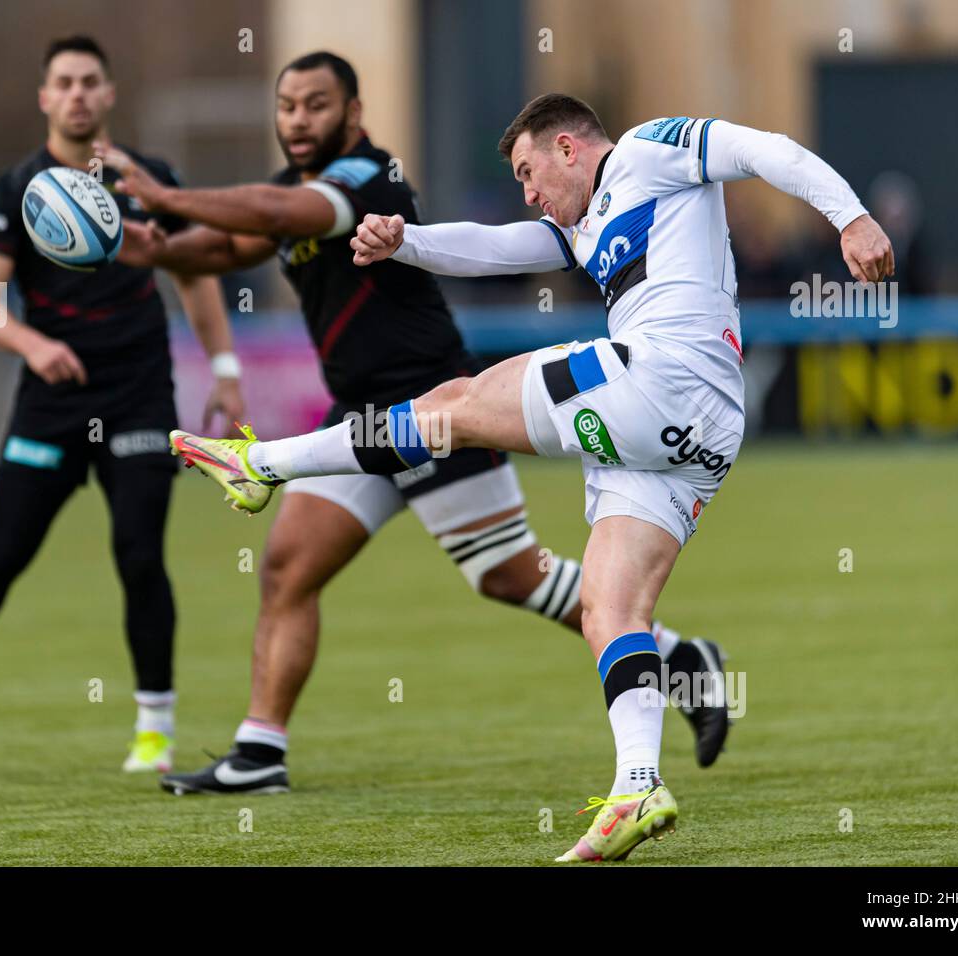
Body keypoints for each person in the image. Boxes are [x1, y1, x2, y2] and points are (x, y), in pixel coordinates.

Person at [165, 96, 894, 861]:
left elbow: (765, 148)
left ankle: (260, 464)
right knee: (609, 611)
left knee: (454, 404)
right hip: (694, 433)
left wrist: (849, 216)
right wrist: (406, 242)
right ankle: (639, 784)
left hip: (663, 378)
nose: (528, 192)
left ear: (569, 148)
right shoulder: (581, 227)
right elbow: (496, 247)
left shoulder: (652, 149)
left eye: (527, 172)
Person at [99, 54, 730, 797]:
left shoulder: (368, 179)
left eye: (315, 104)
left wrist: (162, 194)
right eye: (288, 105)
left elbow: (275, 220)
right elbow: (227, 243)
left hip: (436, 400)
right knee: (286, 568)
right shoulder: (277, 192)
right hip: (357, 413)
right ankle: (260, 751)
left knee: (508, 575)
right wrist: (139, 244)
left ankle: (675, 658)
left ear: (353, 114)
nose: (298, 118)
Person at [0, 36, 244, 774]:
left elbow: (196, 275)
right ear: (46, 98)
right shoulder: (17, 188)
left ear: (109, 94)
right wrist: (31, 345)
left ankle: (155, 727)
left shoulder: (152, 179)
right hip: (52, 397)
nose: (78, 93)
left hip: (140, 391)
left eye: (90, 81)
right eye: (64, 82)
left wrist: (223, 365)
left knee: (140, 555)